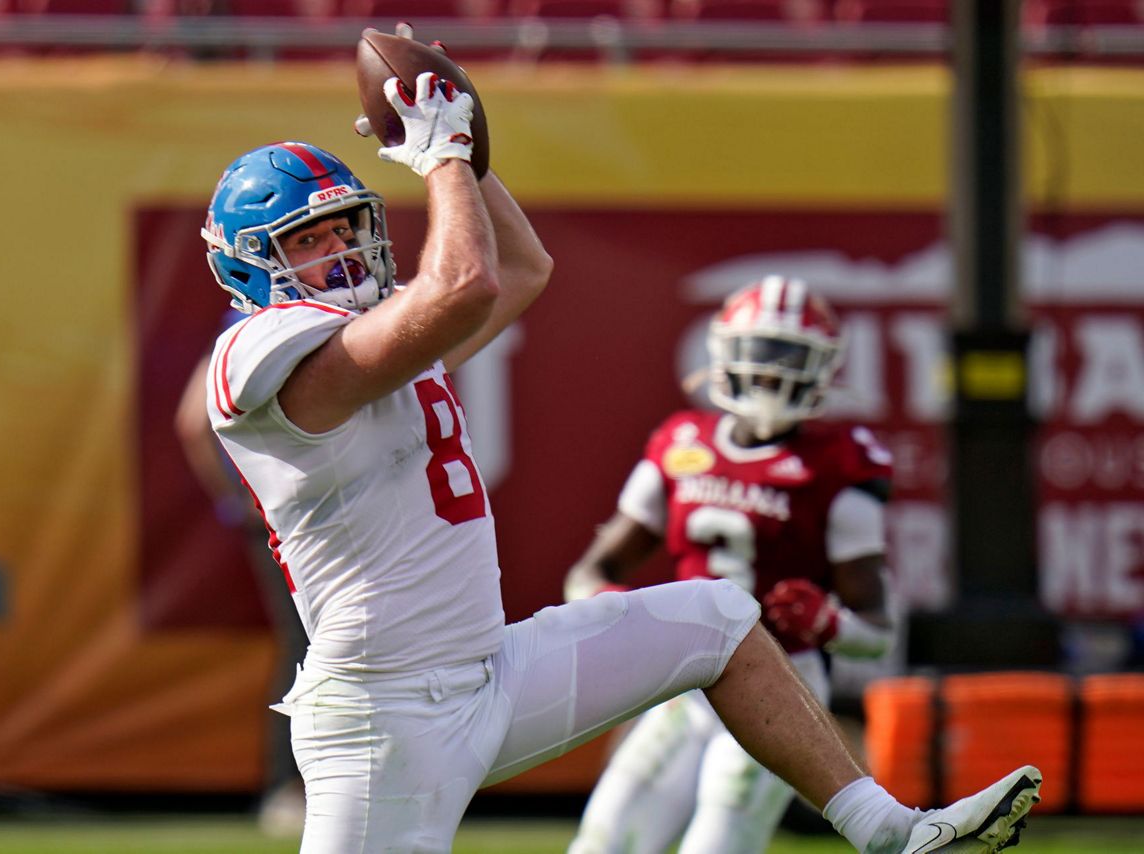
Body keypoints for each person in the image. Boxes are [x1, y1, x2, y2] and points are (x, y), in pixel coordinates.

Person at [198, 65, 1040, 853]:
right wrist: (441, 155)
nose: (344, 249)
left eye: (349, 224)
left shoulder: (379, 338)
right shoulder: (261, 354)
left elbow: (522, 267)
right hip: (382, 717)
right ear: (248, 263)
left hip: (489, 674)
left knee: (719, 619)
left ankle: (888, 829)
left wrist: (467, 150)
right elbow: (466, 287)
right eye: (310, 237)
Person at [565, 276, 901, 854]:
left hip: (781, 683)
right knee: (606, 840)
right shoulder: (682, 443)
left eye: (792, 356)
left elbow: (875, 633)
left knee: (718, 844)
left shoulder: (838, 467)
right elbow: (592, 571)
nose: (774, 372)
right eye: (763, 352)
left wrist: (828, 624)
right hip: (683, 680)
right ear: (726, 353)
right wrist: (611, 610)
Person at [175, 315, 310, 838]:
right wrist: (241, 499)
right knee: (315, 646)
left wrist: (238, 501)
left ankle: (296, 787)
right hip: (304, 511)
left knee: (313, 645)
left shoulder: (249, 327)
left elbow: (191, 421)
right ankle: (293, 786)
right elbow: (192, 419)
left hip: (288, 512)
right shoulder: (266, 326)